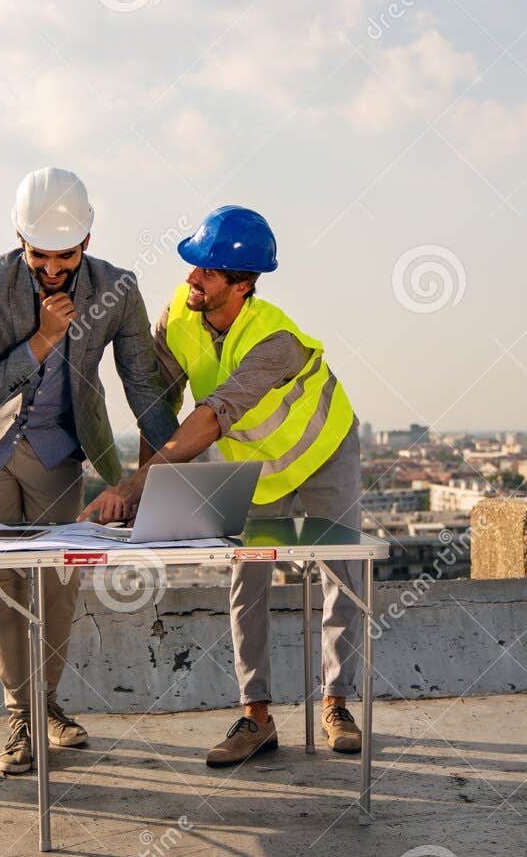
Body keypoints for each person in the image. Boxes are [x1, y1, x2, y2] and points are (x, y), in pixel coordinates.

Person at [82, 206, 365, 767]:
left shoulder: (274, 340)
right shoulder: (176, 321)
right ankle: (256, 717)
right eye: (193, 267)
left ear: (242, 285)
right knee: (247, 579)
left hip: (323, 454)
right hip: (256, 470)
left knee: (342, 573)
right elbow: (158, 410)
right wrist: (145, 496)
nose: (191, 278)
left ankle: (337, 704)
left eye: (206, 272)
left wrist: (137, 484)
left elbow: (211, 417)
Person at [0, 167, 179, 776]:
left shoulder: (118, 287)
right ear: (20, 239)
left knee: (57, 581)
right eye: (39, 255)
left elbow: (144, 387)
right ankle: (22, 715)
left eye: (63, 256)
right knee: (4, 580)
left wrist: (172, 475)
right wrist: (41, 341)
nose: (51, 268)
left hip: (59, 450)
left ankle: (44, 702)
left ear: (86, 243)